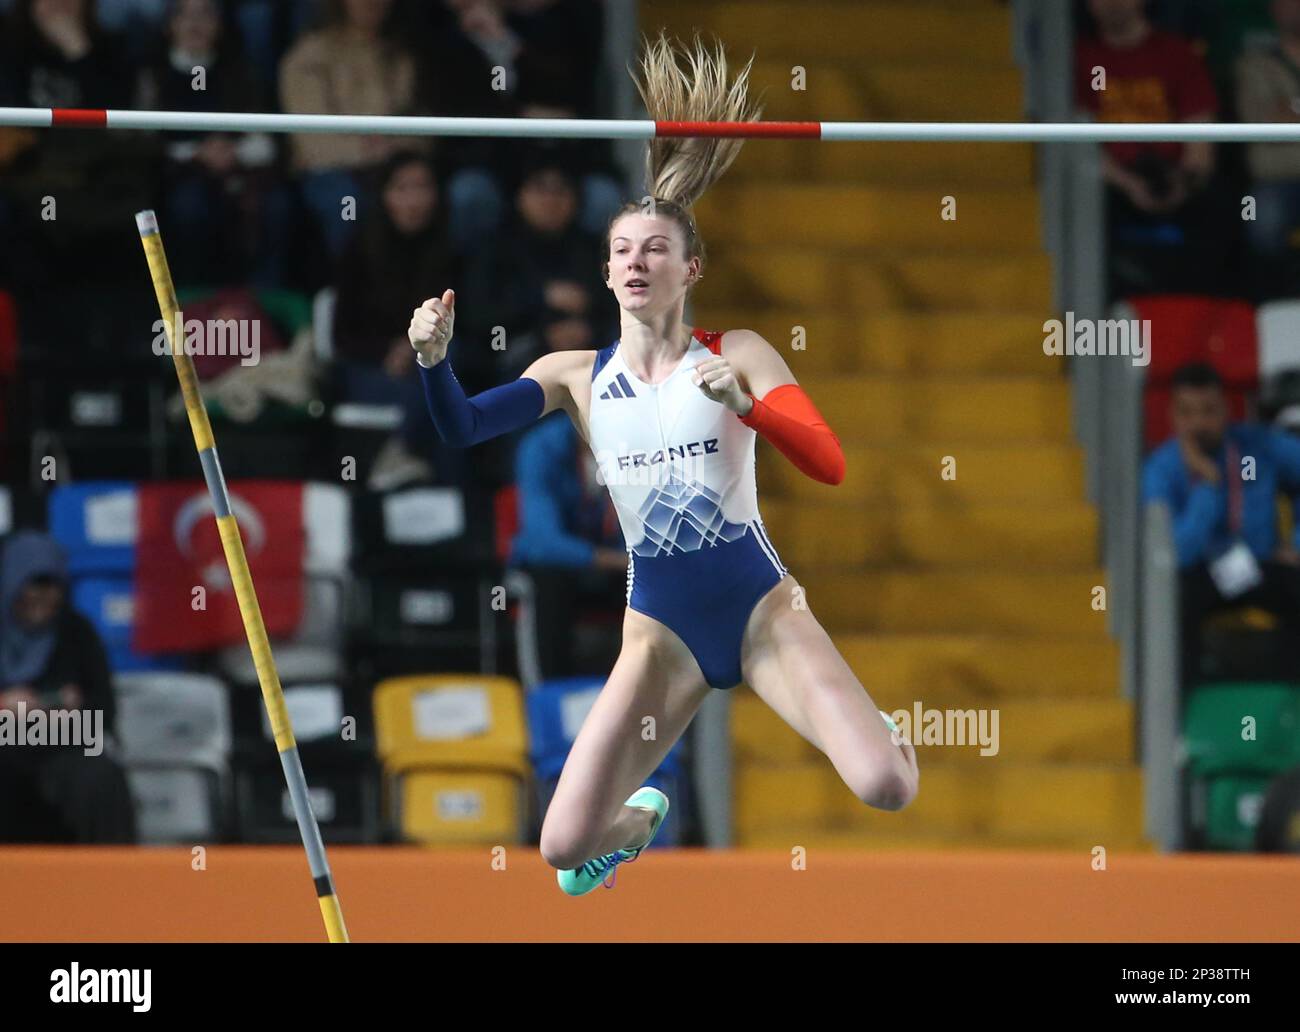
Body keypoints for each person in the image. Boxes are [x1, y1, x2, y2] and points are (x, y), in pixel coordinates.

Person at [407, 32, 918, 896]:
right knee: (563, 846)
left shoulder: (740, 351)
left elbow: (828, 465)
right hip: (661, 638)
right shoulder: (573, 377)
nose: (637, 263)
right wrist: (431, 360)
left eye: (654, 251)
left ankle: (880, 732)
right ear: (606, 274)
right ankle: (639, 824)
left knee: (887, 786)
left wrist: (750, 407)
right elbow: (459, 429)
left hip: (761, 612)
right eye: (622, 252)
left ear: (691, 268)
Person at [1141, 362, 1300, 685]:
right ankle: (1185, 714)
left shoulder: (1257, 447)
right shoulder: (1161, 470)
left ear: (1227, 410)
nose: (1198, 423)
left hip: (1259, 564)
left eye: (1209, 411)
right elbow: (1179, 554)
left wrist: (1297, 542)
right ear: (1172, 415)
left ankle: (1289, 703)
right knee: (1174, 604)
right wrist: (1208, 485)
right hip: (1198, 573)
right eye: (1187, 413)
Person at [332, 150, 470, 490]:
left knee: (444, 378)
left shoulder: (454, 249)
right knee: (441, 397)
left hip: (431, 362)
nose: (414, 200)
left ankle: (404, 454)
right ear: (384, 196)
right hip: (371, 368)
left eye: (422, 187)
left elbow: (469, 322)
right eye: (401, 188)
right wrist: (385, 352)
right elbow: (342, 335)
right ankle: (451, 501)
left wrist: (418, 351)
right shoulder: (359, 248)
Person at [1074, 0, 1230, 297]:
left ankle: (1204, 315)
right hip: (1111, 184)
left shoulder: (1178, 54)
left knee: (1224, 208)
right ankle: (1099, 313)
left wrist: (1182, 183)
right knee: (1083, 201)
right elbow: (1079, 144)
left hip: (1174, 177)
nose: (1110, 4)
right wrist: (1128, 184)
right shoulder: (1080, 59)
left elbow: (1201, 135)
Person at [0, 531, 137, 843]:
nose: (43, 596)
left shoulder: (76, 633)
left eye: (52, 586)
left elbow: (103, 712)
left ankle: (107, 881)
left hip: (63, 746)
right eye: (34, 584)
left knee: (98, 777)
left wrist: (41, 715)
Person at [508, 409, 627, 680]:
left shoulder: (634, 444)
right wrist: (618, 560)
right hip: (552, 565)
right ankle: (549, 693)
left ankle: (649, 695)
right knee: (549, 580)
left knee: (658, 580)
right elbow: (543, 541)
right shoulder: (541, 447)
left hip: (614, 563)